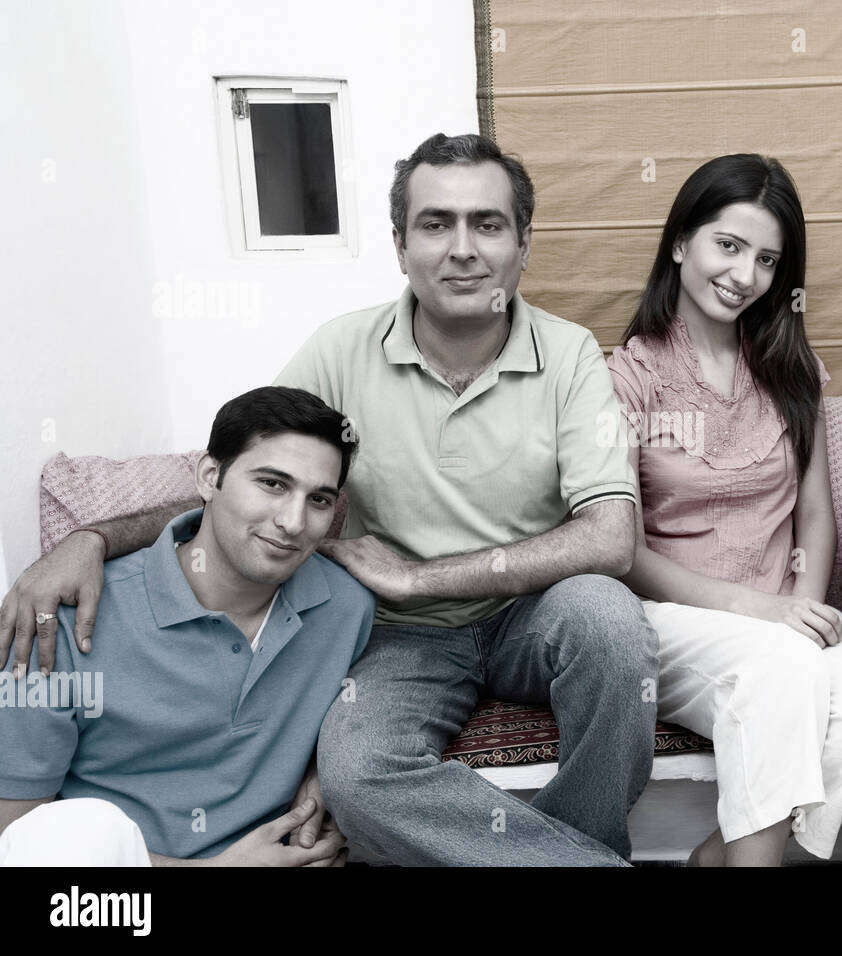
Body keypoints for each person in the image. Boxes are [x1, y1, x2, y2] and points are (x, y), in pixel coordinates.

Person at [1, 133, 659, 867]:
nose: (463, 248)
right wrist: (92, 538)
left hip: (532, 613)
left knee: (609, 621)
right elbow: (249, 470)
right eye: (436, 224)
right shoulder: (341, 350)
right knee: (355, 776)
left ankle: (589, 848)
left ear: (524, 242)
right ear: (400, 245)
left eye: (489, 223)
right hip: (398, 635)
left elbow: (609, 539)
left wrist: (418, 575)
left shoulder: (568, 353)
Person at [607, 154, 842, 866]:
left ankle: (717, 857)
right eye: (729, 246)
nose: (745, 275)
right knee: (779, 667)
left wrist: (800, 609)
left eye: (767, 260)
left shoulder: (790, 369)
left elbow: (814, 518)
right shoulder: (628, 375)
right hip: (672, 622)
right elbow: (621, 548)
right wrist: (762, 615)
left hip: (782, 620)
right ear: (681, 242)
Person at [0, 386, 372, 866]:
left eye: (318, 499)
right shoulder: (61, 619)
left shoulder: (347, 606)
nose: (293, 521)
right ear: (210, 476)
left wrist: (325, 784)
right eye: (272, 484)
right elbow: (16, 837)